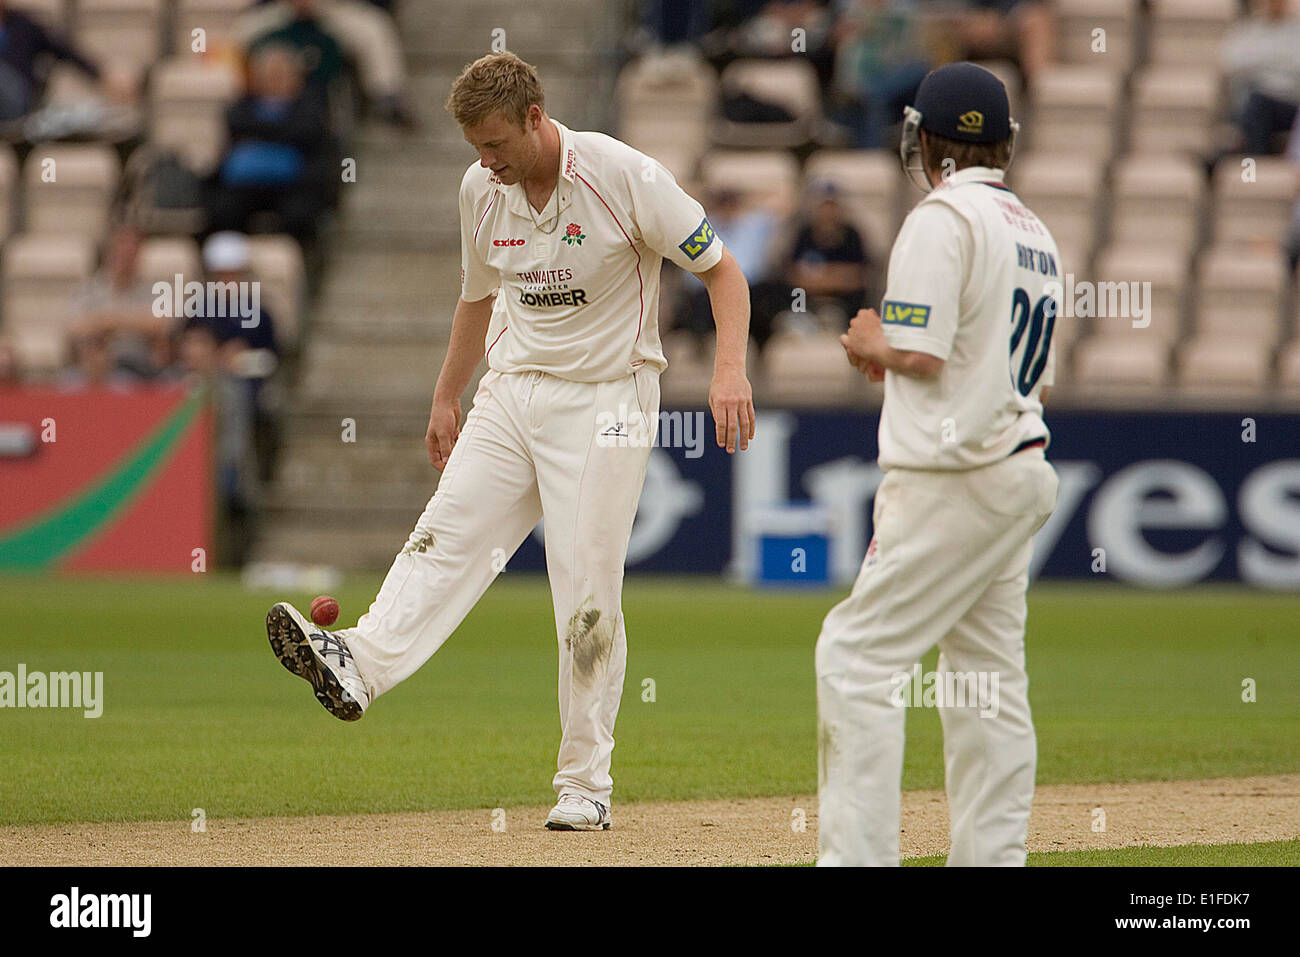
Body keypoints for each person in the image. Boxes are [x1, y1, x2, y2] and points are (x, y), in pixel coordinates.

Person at [263, 52, 755, 832]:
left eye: (495, 144)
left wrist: (729, 371)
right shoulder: (479, 189)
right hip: (511, 388)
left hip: (609, 398)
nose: (485, 163)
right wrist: (446, 392)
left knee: (585, 591)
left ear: (535, 117)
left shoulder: (623, 175)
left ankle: (585, 784)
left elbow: (726, 275)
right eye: (474, 148)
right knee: (443, 536)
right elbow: (476, 295)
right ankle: (360, 658)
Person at [815, 62, 1060, 866]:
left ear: (924, 140)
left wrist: (865, 342)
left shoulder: (942, 216)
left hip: (952, 476)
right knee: (985, 678)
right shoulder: (1034, 230)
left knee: (857, 658)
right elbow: (1033, 373)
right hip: (1017, 462)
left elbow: (915, 353)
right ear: (1005, 144)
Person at [206, 45, 337, 246]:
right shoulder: (242, 106)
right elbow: (235, 122)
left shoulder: (310, 107)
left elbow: (306, 132)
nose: (275, 80)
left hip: (294, 186)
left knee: (299, 216)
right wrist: (281, 132)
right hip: (243, 185)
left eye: (281, 74)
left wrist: (258, 133)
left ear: (296, 78)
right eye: (269, 75)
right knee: (222, 211)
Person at [1221, 0, 1300, 156]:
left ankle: (1249, 156)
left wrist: (1258, 66)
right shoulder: (1247, 30)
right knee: (1252, 102)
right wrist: (1277, 63)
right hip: (1251, 102)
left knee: (1256, 102)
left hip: (1288, 104)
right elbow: (1231, 64)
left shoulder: (1296, 31)